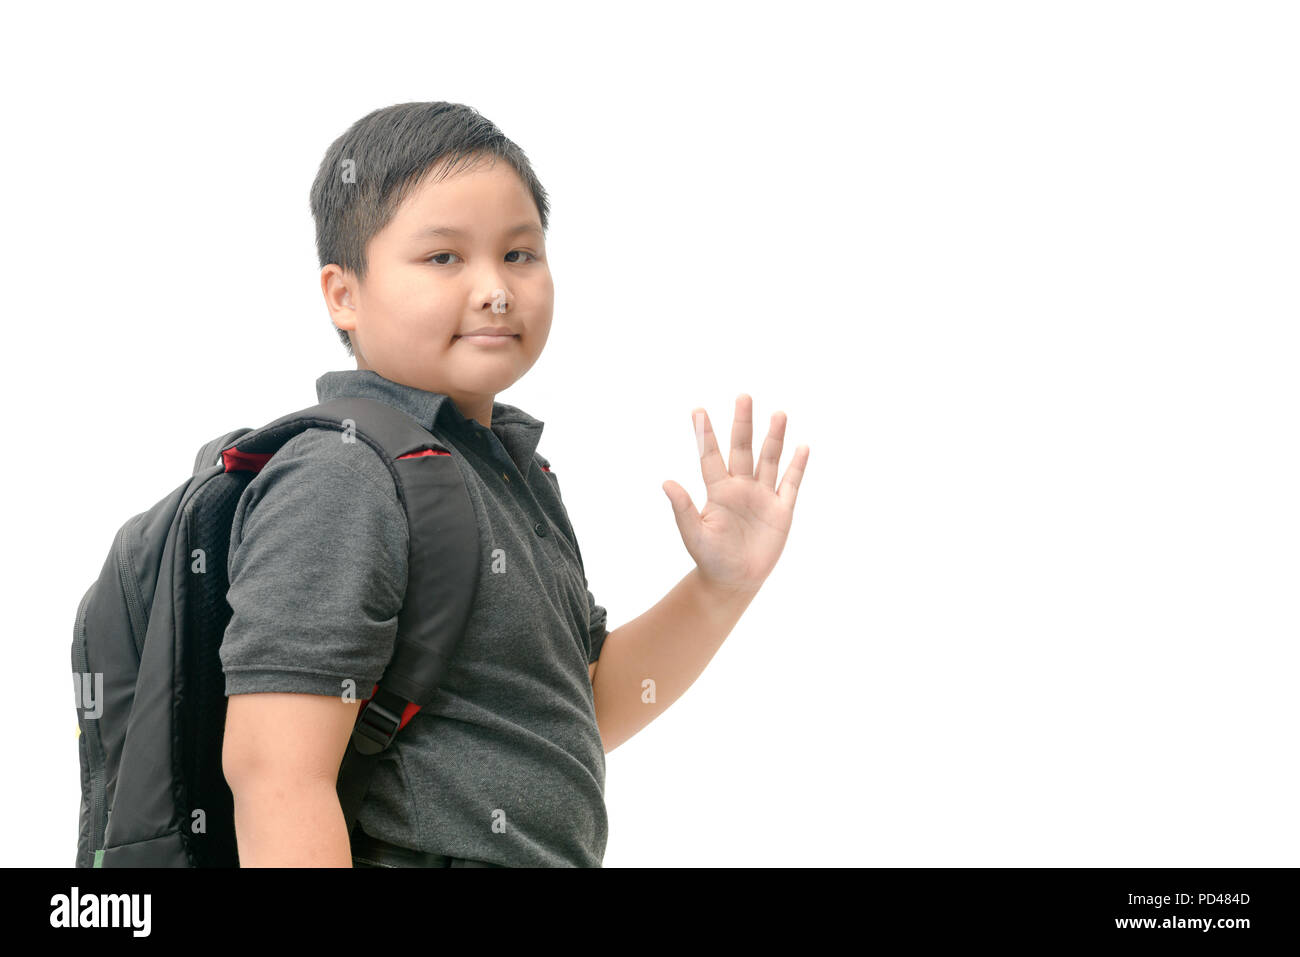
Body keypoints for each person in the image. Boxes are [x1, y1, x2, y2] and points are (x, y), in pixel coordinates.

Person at [218, 101, 810, 867]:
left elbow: (581, 705)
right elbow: (276, 777)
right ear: (343, 294)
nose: (495, 289)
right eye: (444, 258)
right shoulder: (341, 477)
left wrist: (718, 587)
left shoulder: (509, 472)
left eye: (520, 255)